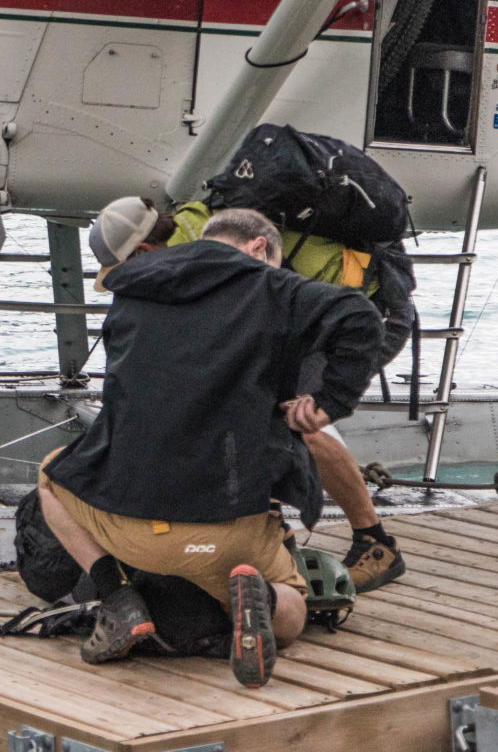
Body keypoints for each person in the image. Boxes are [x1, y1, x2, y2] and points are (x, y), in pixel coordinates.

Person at [38, 204, 383, 687]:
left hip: (130, 526)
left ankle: (116, 596)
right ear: (260, 248)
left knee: (51, 475)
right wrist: (328, 402)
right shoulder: (271, 287)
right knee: (293, 607)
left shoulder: (133, 290)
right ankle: (261, 594)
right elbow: (359, 316)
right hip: (227, 536)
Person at [162, 199, 415, 592]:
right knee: (247, 409)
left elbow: (353, 319)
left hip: (365, 315)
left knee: (303, 425)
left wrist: (329, 402)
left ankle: (377, 544)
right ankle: (277, 537)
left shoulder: (194, 240)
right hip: (296, 319)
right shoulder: (192, 239)